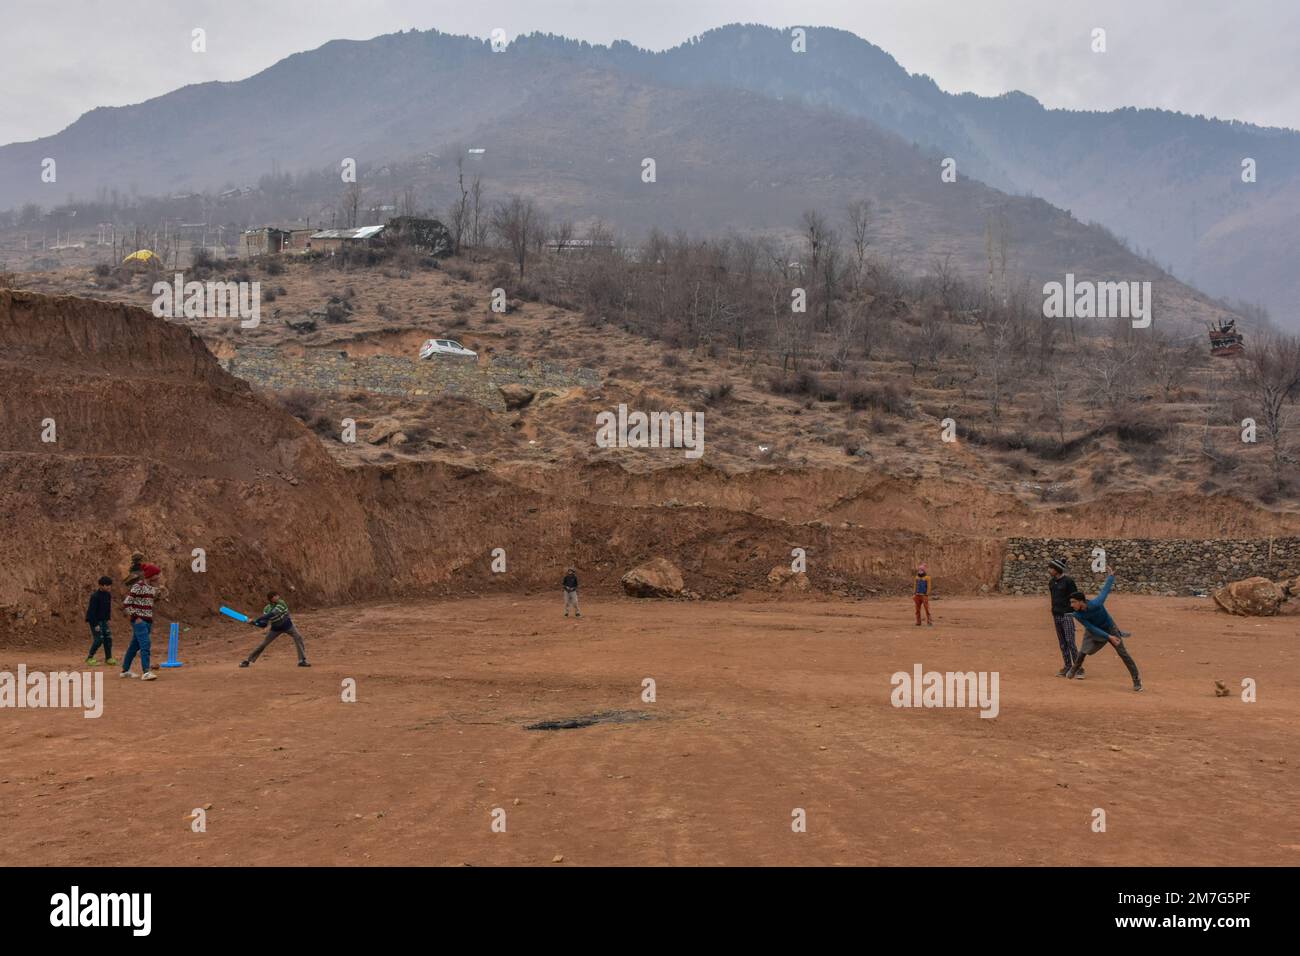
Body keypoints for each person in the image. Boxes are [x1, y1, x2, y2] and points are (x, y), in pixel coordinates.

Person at [1065, 569, 1142, 691]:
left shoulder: (1097, 603)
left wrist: (1111, 576)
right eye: (1071, 602)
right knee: (1083, 651)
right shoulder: (1077, 614)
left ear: (1081, 602)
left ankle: (1136, 680)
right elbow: (1091, 628)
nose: (1071, 605)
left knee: (1123, 654)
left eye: (1073, 602)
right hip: (1094, 630)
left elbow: (1105, 591)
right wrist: (1109, 637)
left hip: (1110, 628)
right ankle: (1075, 668)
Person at [240, 592, 310, 667]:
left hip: (288, 626)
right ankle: (248, 661)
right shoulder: (266, 609)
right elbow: (264, 624)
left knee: (298, 637)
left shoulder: (281, 603)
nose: (278, 597)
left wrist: (257, 619)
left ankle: (302, 660)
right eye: (276, 596)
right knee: (263, 644)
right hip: (275, 629)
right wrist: (253, 623)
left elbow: (273, 614)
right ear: (272, 599)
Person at [120, 564, 162, 681]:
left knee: (134, 646)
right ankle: (146, 671)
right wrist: (136, 617)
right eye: (156, 574)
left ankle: (125, 670)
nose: (158, 576)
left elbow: (149, 603)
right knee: (145, 644)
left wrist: (159, 595)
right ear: (151, 575)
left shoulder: (151, 588)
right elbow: (126, 603)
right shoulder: (138, 586)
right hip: (140, 621)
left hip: (147, 621)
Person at [1047, 558, 1083, 678]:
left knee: (1070, 641)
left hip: (1067, 615)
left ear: (1057, 570)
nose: (1049, 570)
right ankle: (1067, 666)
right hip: (1056, 615)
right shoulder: (1051, 582)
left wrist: (1072, 612)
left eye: (1051, 568)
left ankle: (1078, 668)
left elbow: (1075, 597)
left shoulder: (1068, 581)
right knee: (1062, 643)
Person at [85, 575, 117, 666]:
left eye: (110, 585)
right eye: (107, 585)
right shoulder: (95, 596)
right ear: (100, 585)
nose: (109, 587)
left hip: (104, 621)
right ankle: (89, 658)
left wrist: (107, 620)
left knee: (108, 638)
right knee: (99, 639)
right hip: (95, 621)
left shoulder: (108, 595)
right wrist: (95, 624)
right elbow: (91, 612)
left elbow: (107, 609)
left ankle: (109, 658)